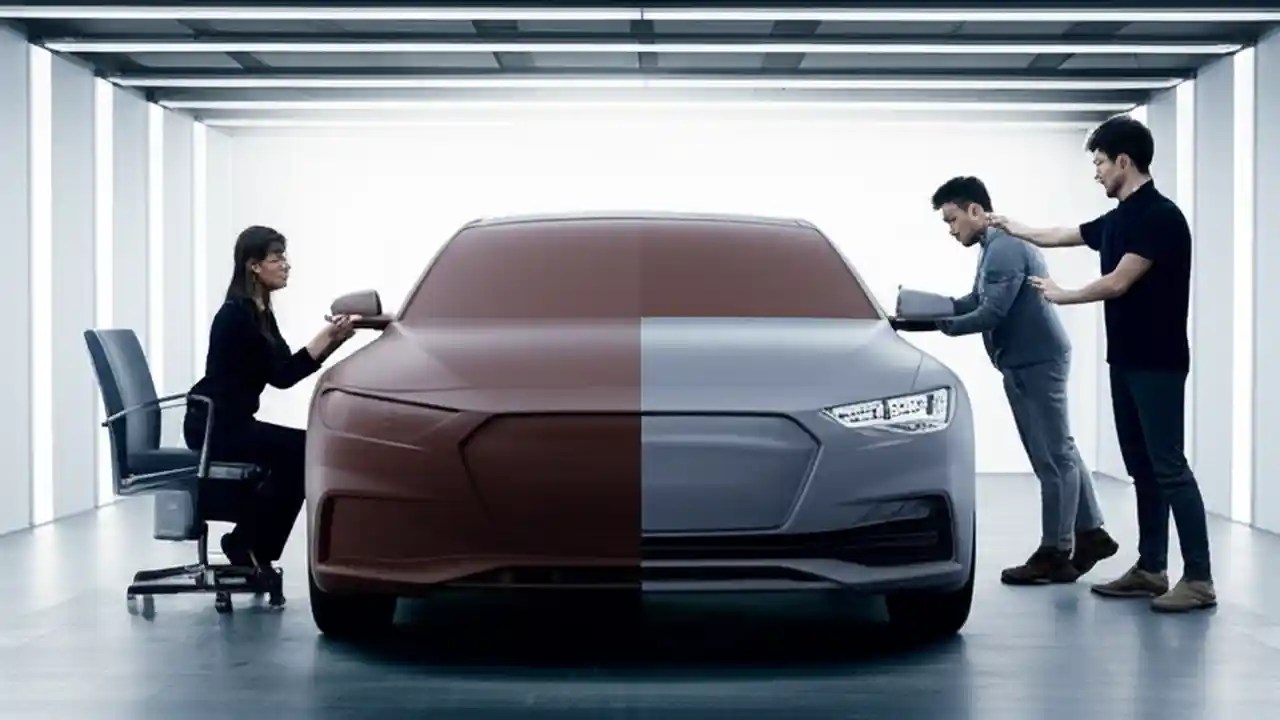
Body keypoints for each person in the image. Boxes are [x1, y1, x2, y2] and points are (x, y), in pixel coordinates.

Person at [989, 114, 1216, 613]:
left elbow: (1118, 281)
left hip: (1158, 361)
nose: (1095, 172)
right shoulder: (1119, 218)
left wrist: (1062, 296)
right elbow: (1064, 234)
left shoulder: (1160, 217)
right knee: (1143, 468)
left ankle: (1198, 578)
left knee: (1169, 467)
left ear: (1124, 161)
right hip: (1127, 358)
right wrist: (1013, 225)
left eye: (1098, 162)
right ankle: (1152, 568)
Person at [900, 176, 1117, 585]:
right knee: (1060, 450)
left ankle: (1055, 550)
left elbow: (991, 313)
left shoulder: (1005, 249)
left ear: (976, 211)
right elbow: (974, 301)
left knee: (1051, 459)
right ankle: (1093, 534)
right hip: (1025, 359)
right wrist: (921, 313)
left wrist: (943, 326)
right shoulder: (992, 247)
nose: (951, 230)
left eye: (952, 220)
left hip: (1037, 360)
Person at [183, 225, 357, 577]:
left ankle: (249, 544)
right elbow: (281, 374)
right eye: (277, 258)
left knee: (303, 449)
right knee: (303, 449)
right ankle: (248, 543)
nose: (286, 265)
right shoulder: (237, 314)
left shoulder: (259, 313)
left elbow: (282, 375)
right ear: (254, 266)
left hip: (233, 423)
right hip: (215, 426)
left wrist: (334, 339)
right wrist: (329, 339)